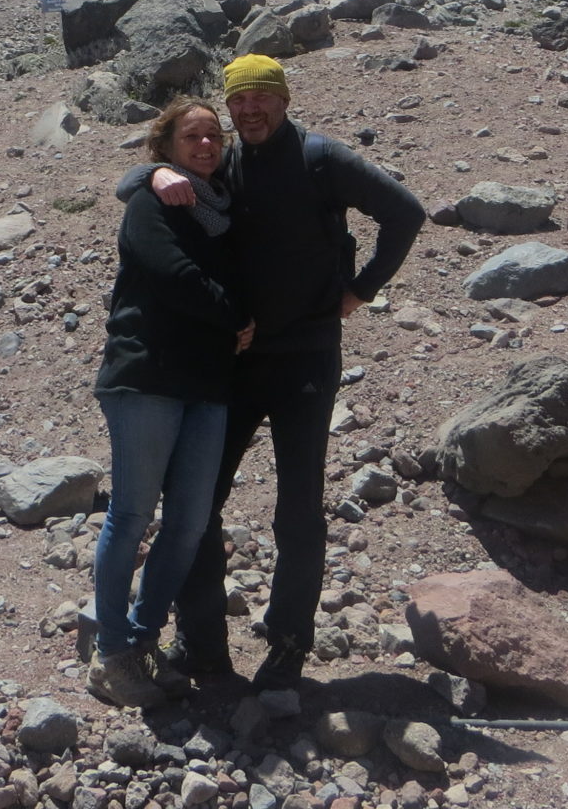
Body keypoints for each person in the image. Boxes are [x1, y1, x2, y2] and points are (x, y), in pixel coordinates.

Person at [121, 56, 424, 690]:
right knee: (195, 504)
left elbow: (405, 212)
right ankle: (202, 645)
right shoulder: (225, 161)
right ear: (229, 109)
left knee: (298, 508)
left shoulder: (322, 157)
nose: (250, 108)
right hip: (236, 363)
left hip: (307, 360)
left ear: (284, 100)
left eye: (263, 96)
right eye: (240, 100)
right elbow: (154, 174)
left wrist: (361, 289)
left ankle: (288, 645)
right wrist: (151, 175)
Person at [90, 98, 252, 708]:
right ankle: (112, 655)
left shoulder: (224, 208)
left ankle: (140, 640)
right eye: (192, 136)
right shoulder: (150, 201)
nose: (206, 144)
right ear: (167, 146)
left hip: (207, 383)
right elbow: (173, 275)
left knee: (188, 524)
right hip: (148, 376)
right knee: (131, 516)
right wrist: (237, 316)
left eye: (214, 135)